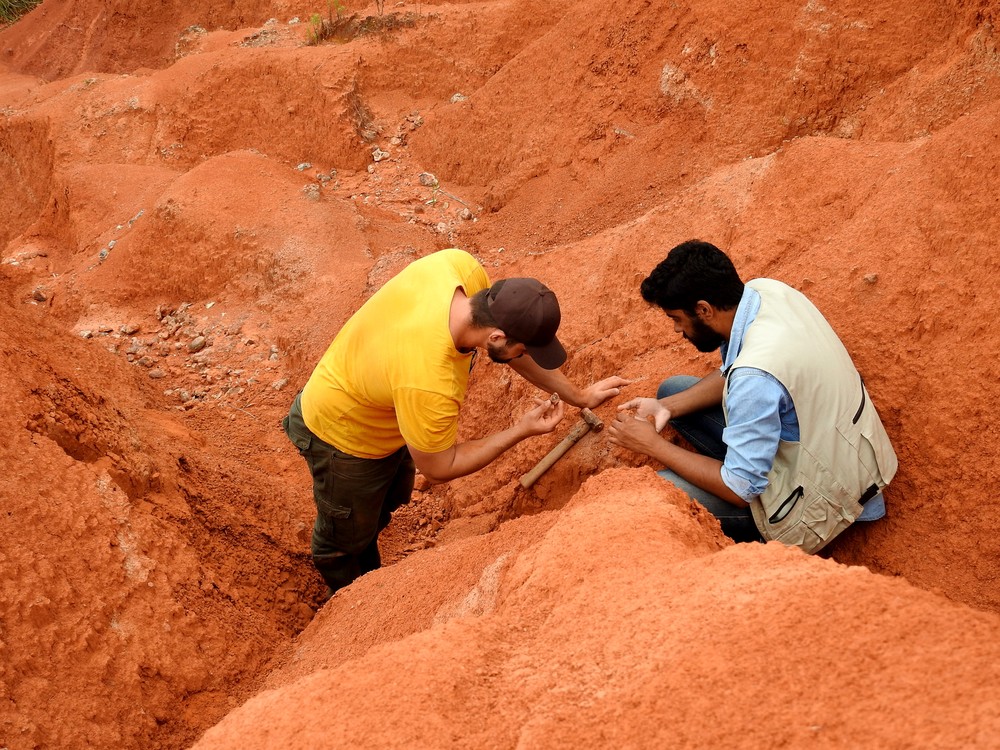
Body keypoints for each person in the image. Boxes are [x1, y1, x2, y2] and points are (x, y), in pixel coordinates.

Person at [283, 248, 628, 594]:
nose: (524, 357)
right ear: (496, 337)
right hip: (340, 433)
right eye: (523, 349)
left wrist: (579, 397)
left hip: (381, 406)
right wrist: (522, 429)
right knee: (343, 541)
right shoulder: (431, 380)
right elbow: (439, 466)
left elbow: (511, 353)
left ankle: (365, 546)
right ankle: (350, 604)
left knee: (387, 501)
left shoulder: (459, 269)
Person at [607, 240, 897, 553]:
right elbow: (741, 372)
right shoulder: (766, 292)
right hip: (850, 453)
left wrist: (651, 445)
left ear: (703, 309)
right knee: (673, 391)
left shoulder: (753, 379)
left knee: (660, 489)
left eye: (677, 319)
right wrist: (665, 407)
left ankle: (749, 486)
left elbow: (739, 488)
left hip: (821, 500)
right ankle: (736, 453)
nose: (678, 330)